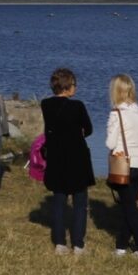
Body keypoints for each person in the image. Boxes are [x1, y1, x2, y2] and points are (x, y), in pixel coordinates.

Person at [40, 67, 95, 255]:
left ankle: (60, 243)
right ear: (68, 86)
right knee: (80, 202)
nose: (76, 88)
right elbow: (88, 129)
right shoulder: (77, 106)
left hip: (56, 157)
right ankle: (78, 244)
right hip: (77, 157)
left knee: (59, 200)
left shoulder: (46, 104)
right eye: (74, 84)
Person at [105, 74, 138, 257]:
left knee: (130, 209)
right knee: (128, 205)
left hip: (124, 165)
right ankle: (121, 246)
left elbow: (110, 142)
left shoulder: (116, 114)